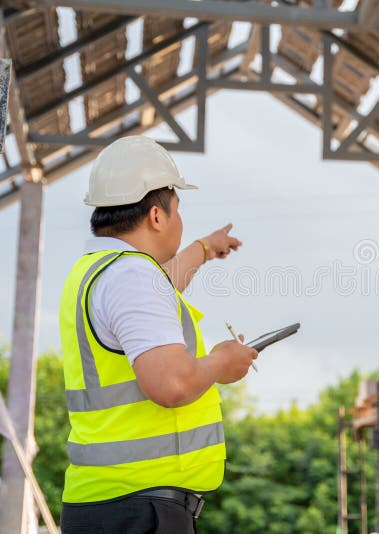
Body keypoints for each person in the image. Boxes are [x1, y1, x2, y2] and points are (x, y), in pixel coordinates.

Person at [59, 136, 258, 533]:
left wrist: (203, 249)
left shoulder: (103, 270)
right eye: (178, 209)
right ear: (155, 216)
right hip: (138, 511)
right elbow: (171, 385)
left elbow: (152, 297)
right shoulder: (131, 277)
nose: (180, 222)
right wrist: (221, 362)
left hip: (112, 506)